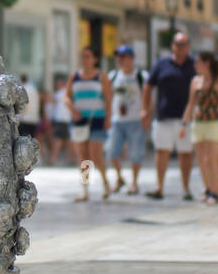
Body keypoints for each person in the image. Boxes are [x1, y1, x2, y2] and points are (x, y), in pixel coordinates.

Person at [179, 50, 218, 204]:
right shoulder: (195, 81)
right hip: (198, 123)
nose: (195, 65)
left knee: (213, 158)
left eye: (197, 62)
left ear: (206, 63)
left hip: (216, 122)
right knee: (201, 160)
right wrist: (183, 123)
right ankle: (207, 189)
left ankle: (215, 191)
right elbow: (191, 104)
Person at [143, 32, 197, 201]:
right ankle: (159, 187)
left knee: (185, 152)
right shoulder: (162, 63)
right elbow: (148, 86)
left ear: (189, 46)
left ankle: (186, 188)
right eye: (177, 44)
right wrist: (145, 110)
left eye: (184, 44)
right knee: (161, 151)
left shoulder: (194, 64)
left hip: (186, 118)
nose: (180, 48)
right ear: (172, 46)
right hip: (164, 115)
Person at [66, 46, 111, 201]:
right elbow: (67, 97)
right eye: (83, 56)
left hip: (97, 119)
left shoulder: (101, 76)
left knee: (95, 155)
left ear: (95, 59)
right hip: (79, 120)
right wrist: (73, 110)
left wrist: (108, 118)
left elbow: (108, 98)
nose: (85, 59)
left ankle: (105, 182)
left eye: (88, 56)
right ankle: (85, 189)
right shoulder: (74, 76)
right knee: (83, 156)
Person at [103, 46, 146, 195]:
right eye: (118, 56)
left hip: (135, 119)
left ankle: (134, 182)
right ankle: (119, 177)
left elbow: (148, 97)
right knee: (111, 151)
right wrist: (107, 116)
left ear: (131, 58)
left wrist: (146, 114)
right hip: (117, 120)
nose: (120, 59)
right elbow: (108, 97)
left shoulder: (141, 76)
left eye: (123, 56)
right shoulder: (113, 76)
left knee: (135, 152)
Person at [47, 74, 73, 166]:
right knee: (68, 141)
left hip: (61, 120)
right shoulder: (66, 93)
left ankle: (53, 159)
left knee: (59, 141)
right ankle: (72, 159)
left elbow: (50, 99)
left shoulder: (61, 93)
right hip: (66, 120)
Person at [19, 74, 42, 142]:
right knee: (30, 142)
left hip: (25, 119)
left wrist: (19, 116)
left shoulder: (24, 89)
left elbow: (25, 105)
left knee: (23, 143)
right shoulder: (34, 89)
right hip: (34, 120)